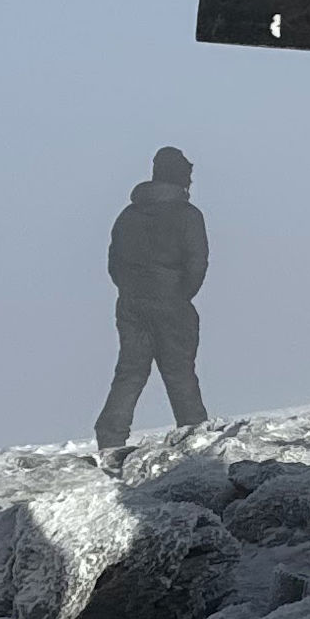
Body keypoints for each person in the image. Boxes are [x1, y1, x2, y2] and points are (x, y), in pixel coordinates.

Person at [95, 145, 210, 457]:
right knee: (179, 373)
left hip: (131, 303)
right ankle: (195, 438)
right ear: (180, 179)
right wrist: (177, 294)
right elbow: (197, 264)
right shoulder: (188, 216)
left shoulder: (128, 215)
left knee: (130, 371)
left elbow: (113, 263)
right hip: (172, 303)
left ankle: (110, 437)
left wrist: (134, 290)